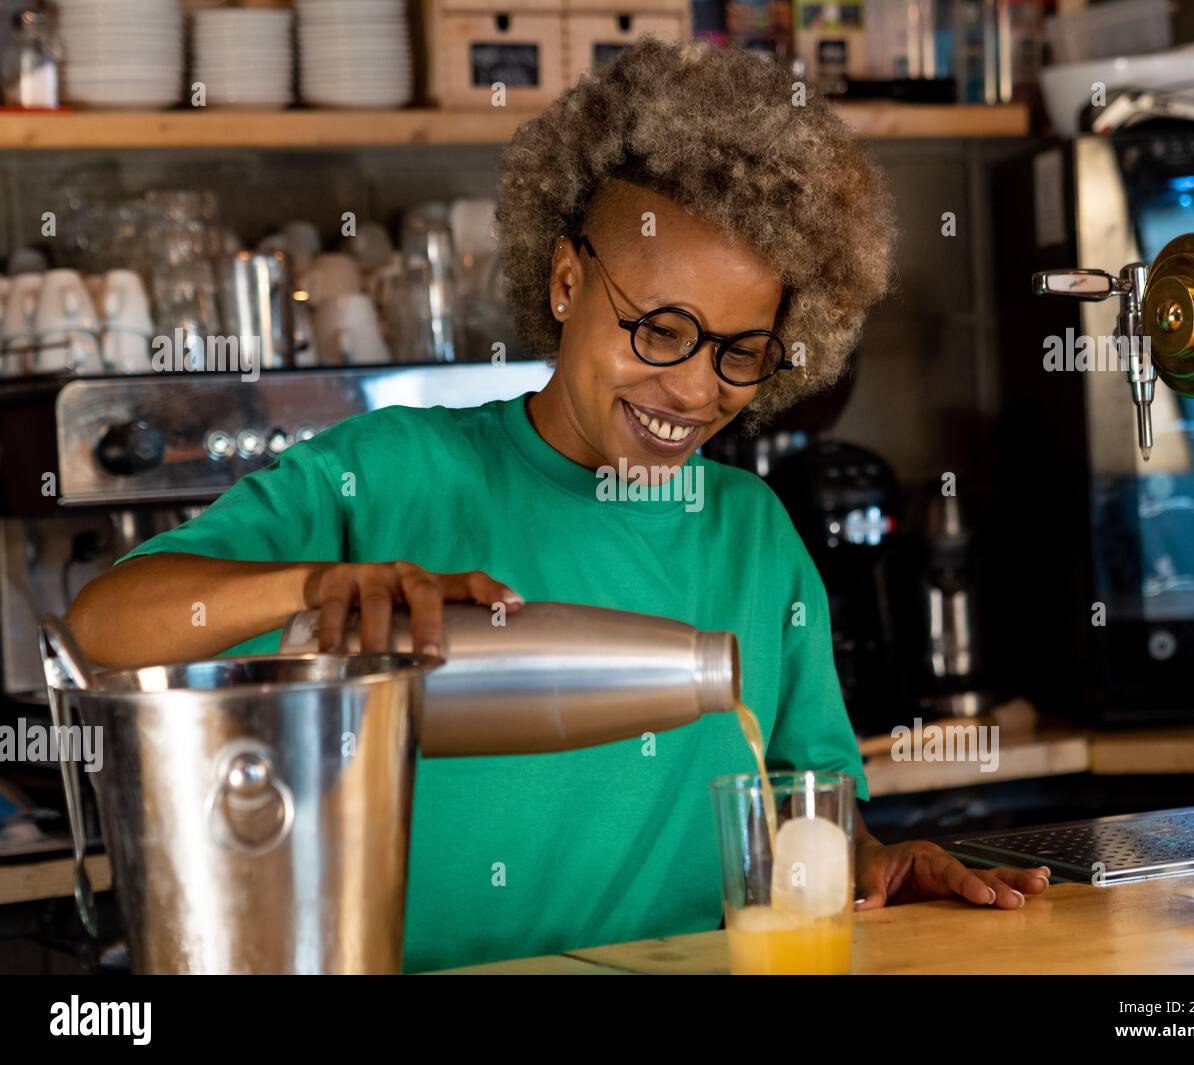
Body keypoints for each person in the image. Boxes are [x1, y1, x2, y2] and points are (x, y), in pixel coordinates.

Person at [67, 37, 1049, 972]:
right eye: (661, 331)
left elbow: (808, 812)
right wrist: (318, 583)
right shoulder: (388, 474)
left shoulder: (753, 534)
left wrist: (875, 862)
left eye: (738, 352)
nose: (696, 391)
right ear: (569, 278)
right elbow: (107, 627)